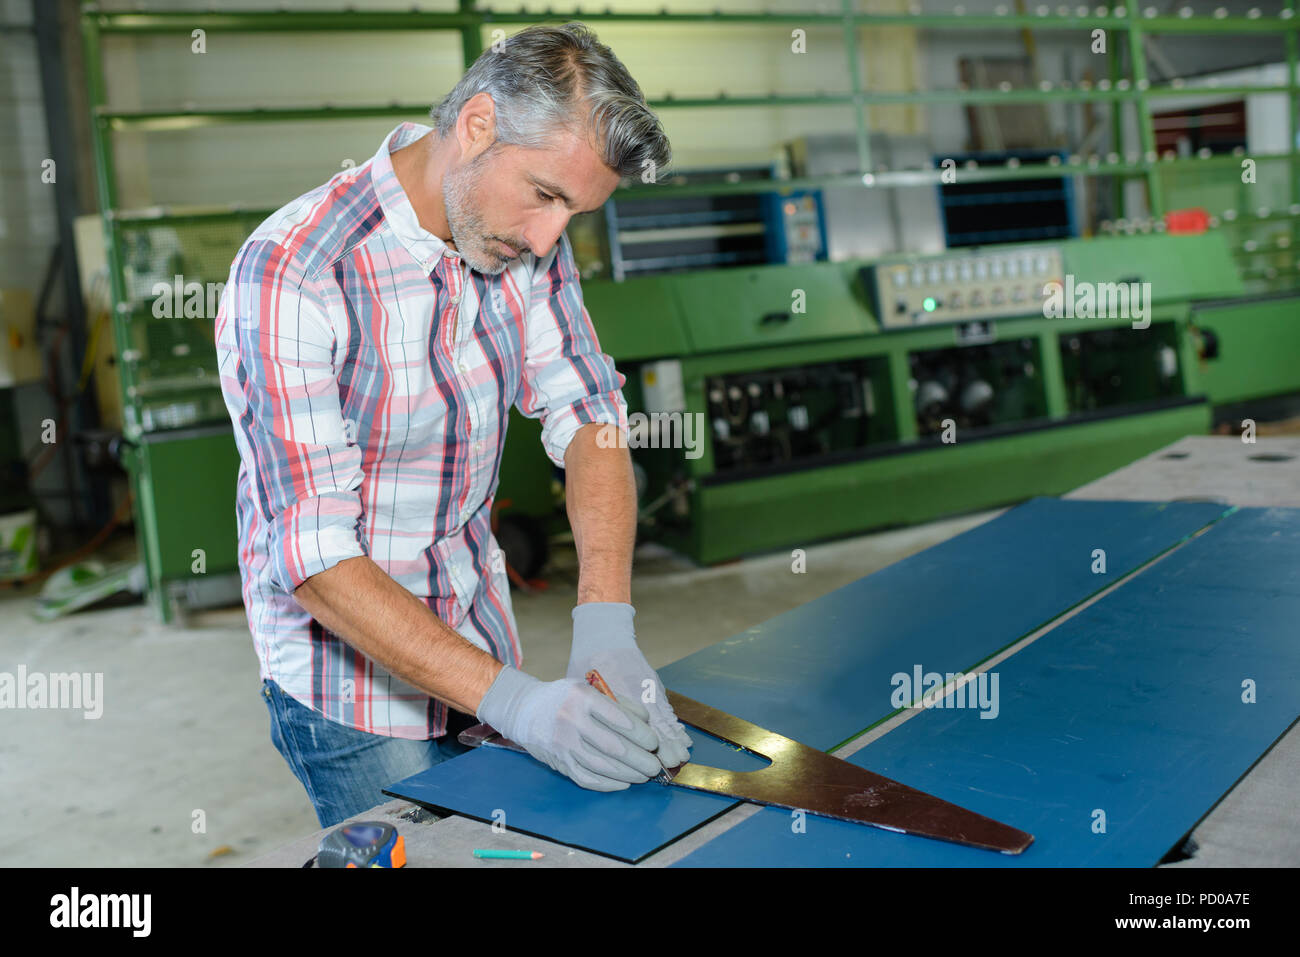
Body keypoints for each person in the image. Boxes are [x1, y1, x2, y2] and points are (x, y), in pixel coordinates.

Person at [214, 21, 691, 827]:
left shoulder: (525, 237)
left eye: (571, 211)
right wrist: (520, 704)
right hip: (351, 687)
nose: (549, 236)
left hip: (479, 636)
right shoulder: (294, 273)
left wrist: (605, 620)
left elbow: (590, 418)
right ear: (475, 126)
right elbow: (317, 557)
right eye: (544, 195)